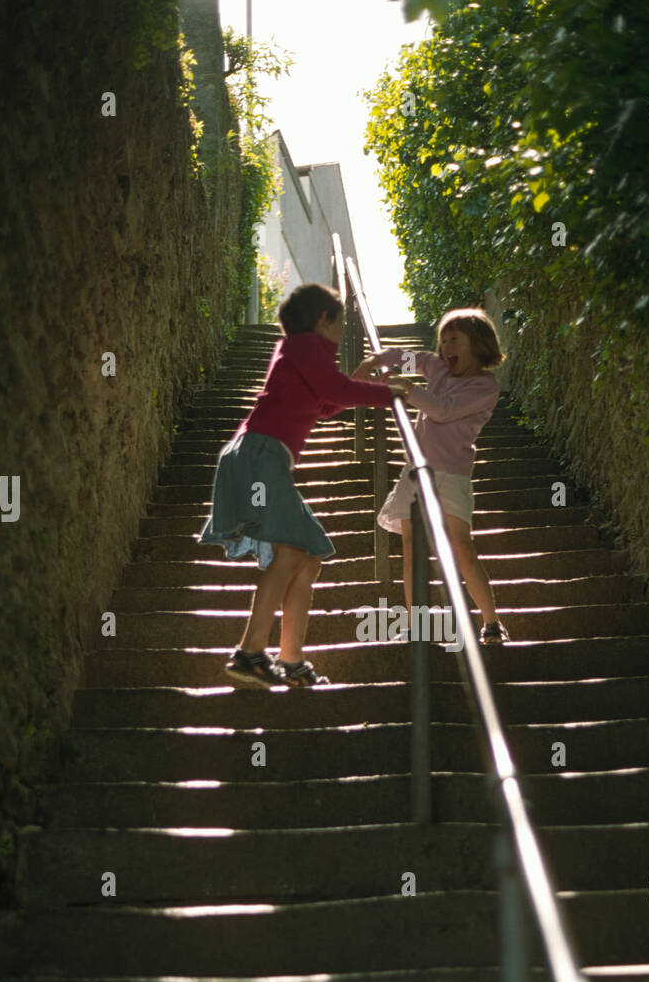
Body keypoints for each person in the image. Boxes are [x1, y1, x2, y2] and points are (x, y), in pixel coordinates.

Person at [198, 282, 408, 688]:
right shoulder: (308, 346)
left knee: (307, 558)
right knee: (293, 551)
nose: (341, 332)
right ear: (323, 320)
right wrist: (392, 392)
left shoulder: (298, 350)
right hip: (260, 455)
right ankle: (250, 654)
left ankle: (291, 660)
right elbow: (334, 391)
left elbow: (326, 405)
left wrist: (361, 378)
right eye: (340, 323)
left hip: (260, 456)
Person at [355, 308, 509, 645]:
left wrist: (406, 388)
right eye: (443, 340)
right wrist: (374, 361)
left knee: (461, 547)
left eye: (455, 340)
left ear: (478, 344)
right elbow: (409, 358)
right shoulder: (438, 368)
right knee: (411, 546)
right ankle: (415, 624)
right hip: (416, 470)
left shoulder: (484, 386)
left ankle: (491, 621)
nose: (446, 347)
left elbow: (443, 410)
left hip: (452, 474)